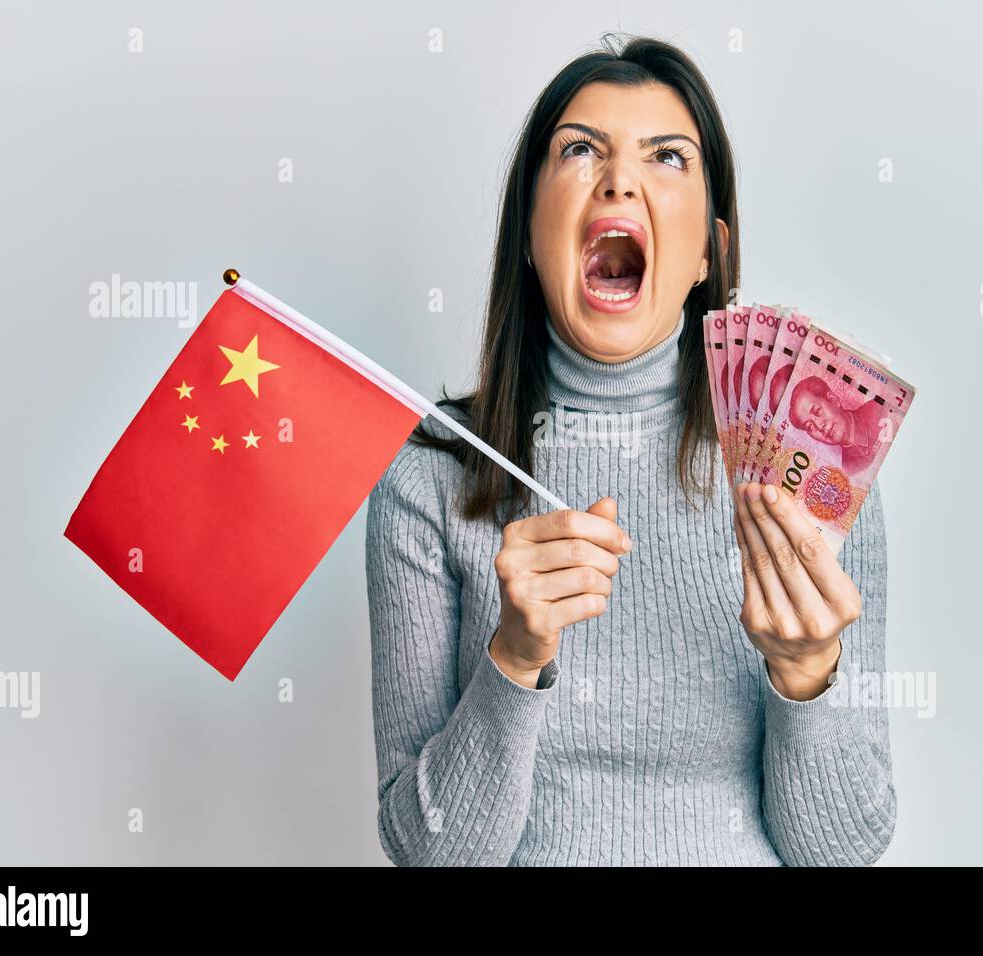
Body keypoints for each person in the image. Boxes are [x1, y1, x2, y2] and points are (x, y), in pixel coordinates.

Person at [365, 33, 896, 866]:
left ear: (709, 254)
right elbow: (428, 854)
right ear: (531, 235)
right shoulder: (429, 475)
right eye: (580, 150)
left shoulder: (807, 479)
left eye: (667, 157)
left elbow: (841, 850)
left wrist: (806, 675)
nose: (619, 179)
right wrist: (515, 657)